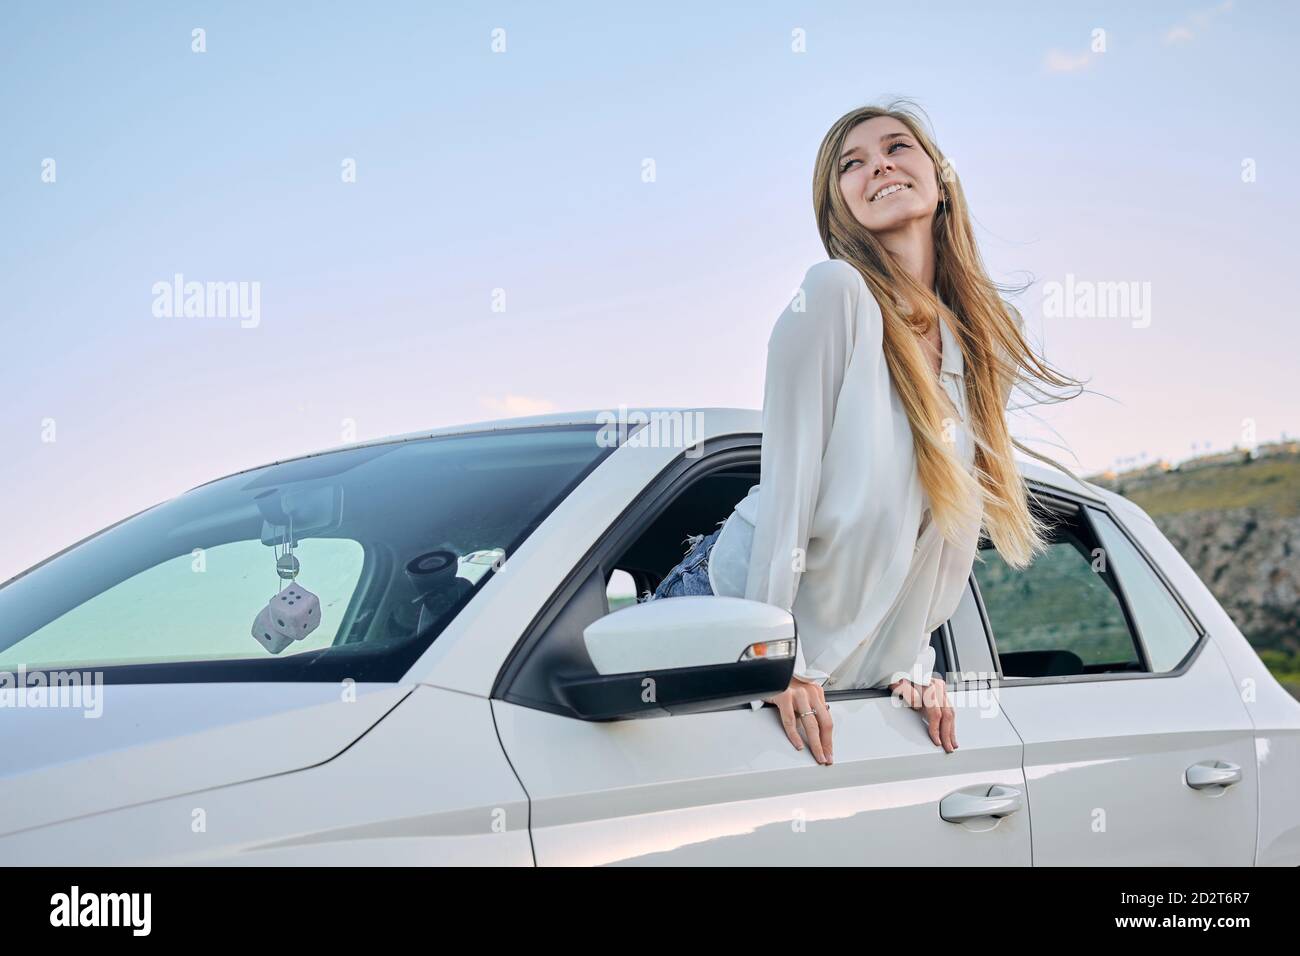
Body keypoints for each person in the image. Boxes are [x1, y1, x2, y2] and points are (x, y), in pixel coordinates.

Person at [647, 101, 1086, 766]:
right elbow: (790, 483)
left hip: (824, 658)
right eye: (850, 164)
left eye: (896, 147)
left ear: (940, 179)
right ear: (838, 207)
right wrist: (770, 656)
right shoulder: (835, 294)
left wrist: (913, 660)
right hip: (732, 611)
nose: (877, 164)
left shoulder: (979, 343)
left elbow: (944, 528)